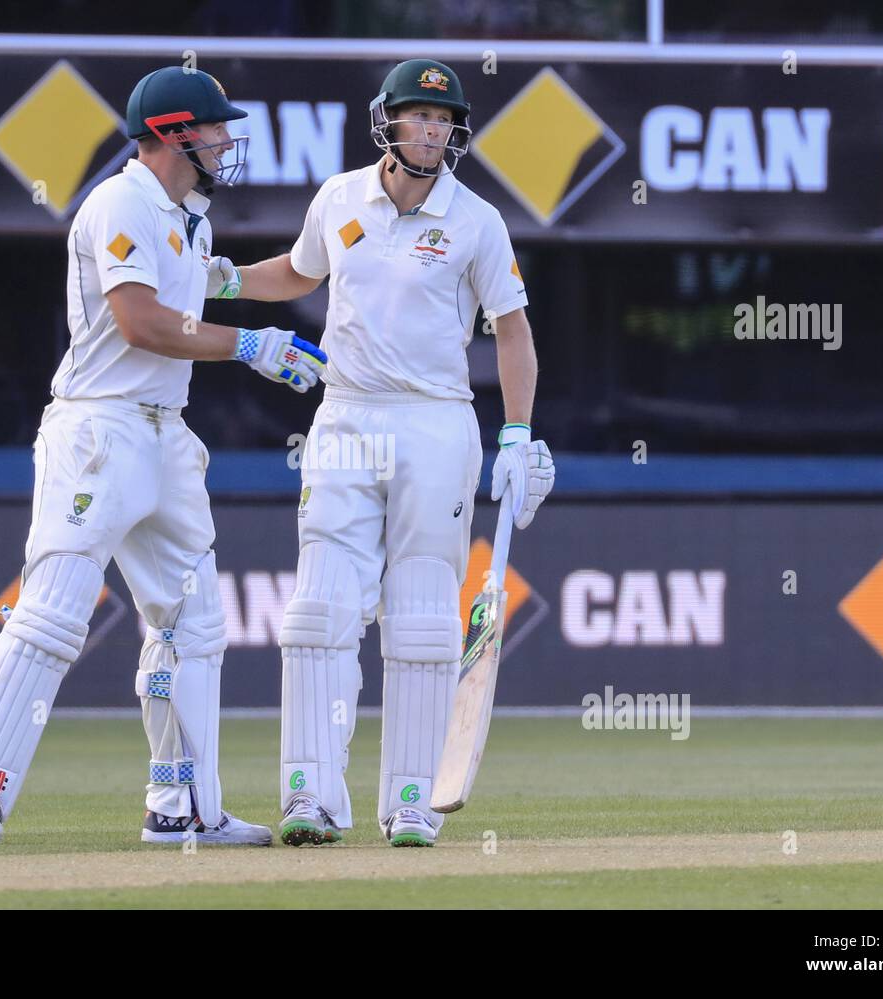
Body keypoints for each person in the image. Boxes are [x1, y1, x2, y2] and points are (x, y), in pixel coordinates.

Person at [0, 66, 326, 846]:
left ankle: (180, 807)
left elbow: (205, 288)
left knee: (191, 626)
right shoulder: (120, 201)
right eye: (215, 129)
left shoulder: (192, 220)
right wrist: (250, 343)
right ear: (177, 134)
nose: (226, 142)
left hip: (167, 435)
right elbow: (142, 323)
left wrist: (271, 291)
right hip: (98, 432)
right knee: (53, 615)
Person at [206, 59, 555, 847]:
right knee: (319, 610)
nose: (432, 130)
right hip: (346, 415)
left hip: (436, 421)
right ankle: (312, 794)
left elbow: (514, 330)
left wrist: (519, 433)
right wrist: (220, 276)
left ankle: (410, 799)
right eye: (418, 117)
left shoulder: (478, 221)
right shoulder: (339, 198)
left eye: (444, 120)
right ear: (388, 123)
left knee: (426, 618)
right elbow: (296, 273)